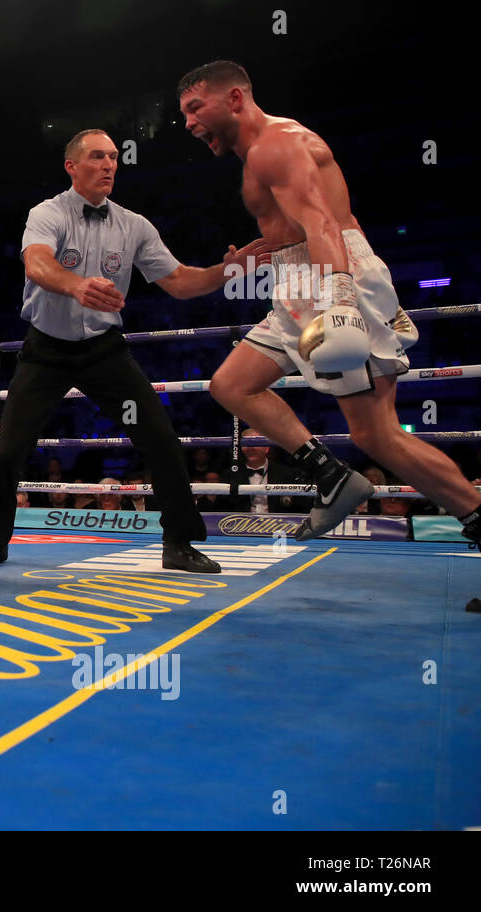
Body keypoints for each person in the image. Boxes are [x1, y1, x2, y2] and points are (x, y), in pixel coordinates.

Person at [179, 60, 481, 548]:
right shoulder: (262, 150)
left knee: (377, 437)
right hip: (296, 280)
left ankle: (476, 516)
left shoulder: (274, 145)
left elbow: (322, 224)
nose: (189, 123)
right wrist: (270, 257)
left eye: (196, 108)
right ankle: (332, 476)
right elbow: (298, 228)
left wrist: (339, 296)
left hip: (330, 276)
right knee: (232, 384)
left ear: (235, 98)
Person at [0, 129, 267, 572]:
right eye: (96, 157)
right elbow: (37, 263)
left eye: (113, 157)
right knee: (9, 450)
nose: (109, 164)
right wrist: (77, 285)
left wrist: (226, 270)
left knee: (160, 438)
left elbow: (179, 280)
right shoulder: (47, 213)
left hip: (103, 351)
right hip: (46, 349)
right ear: (72, 166)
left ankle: (179, 543)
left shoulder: (134, 225)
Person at [227, 427, 310, 514]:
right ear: (241, 448)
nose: (250, 448)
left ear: (267, 448)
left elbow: (299, 508)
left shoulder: (286, 474)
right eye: (246, 444)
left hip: (277, 525)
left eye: (255, 443)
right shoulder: (231, 475)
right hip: (242, 525)